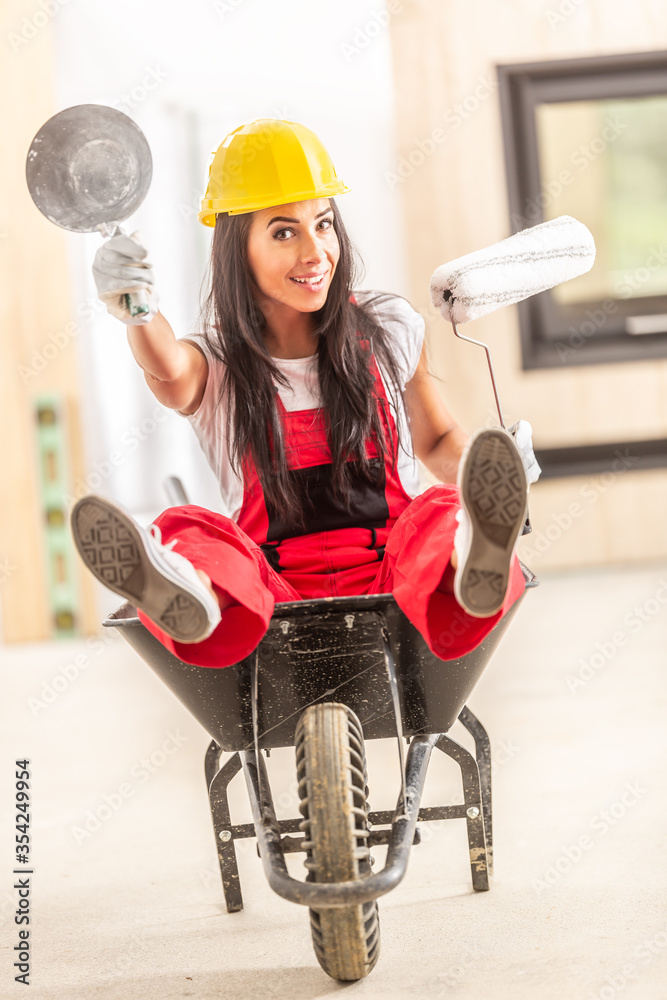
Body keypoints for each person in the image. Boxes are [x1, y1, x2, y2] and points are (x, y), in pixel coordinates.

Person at [71, 118, 540, 669]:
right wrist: (139, 310)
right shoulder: (217, 363)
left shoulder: (389, 327)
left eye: (323, 223)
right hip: (268, 596)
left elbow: (436, 439)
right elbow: (169, 369)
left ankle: (468, 566)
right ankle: (192, 591)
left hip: (399, 576)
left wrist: (491, 469)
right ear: (236, 247)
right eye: (283, 232)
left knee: (440, 508)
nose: (316, 251)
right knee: (187, 528)